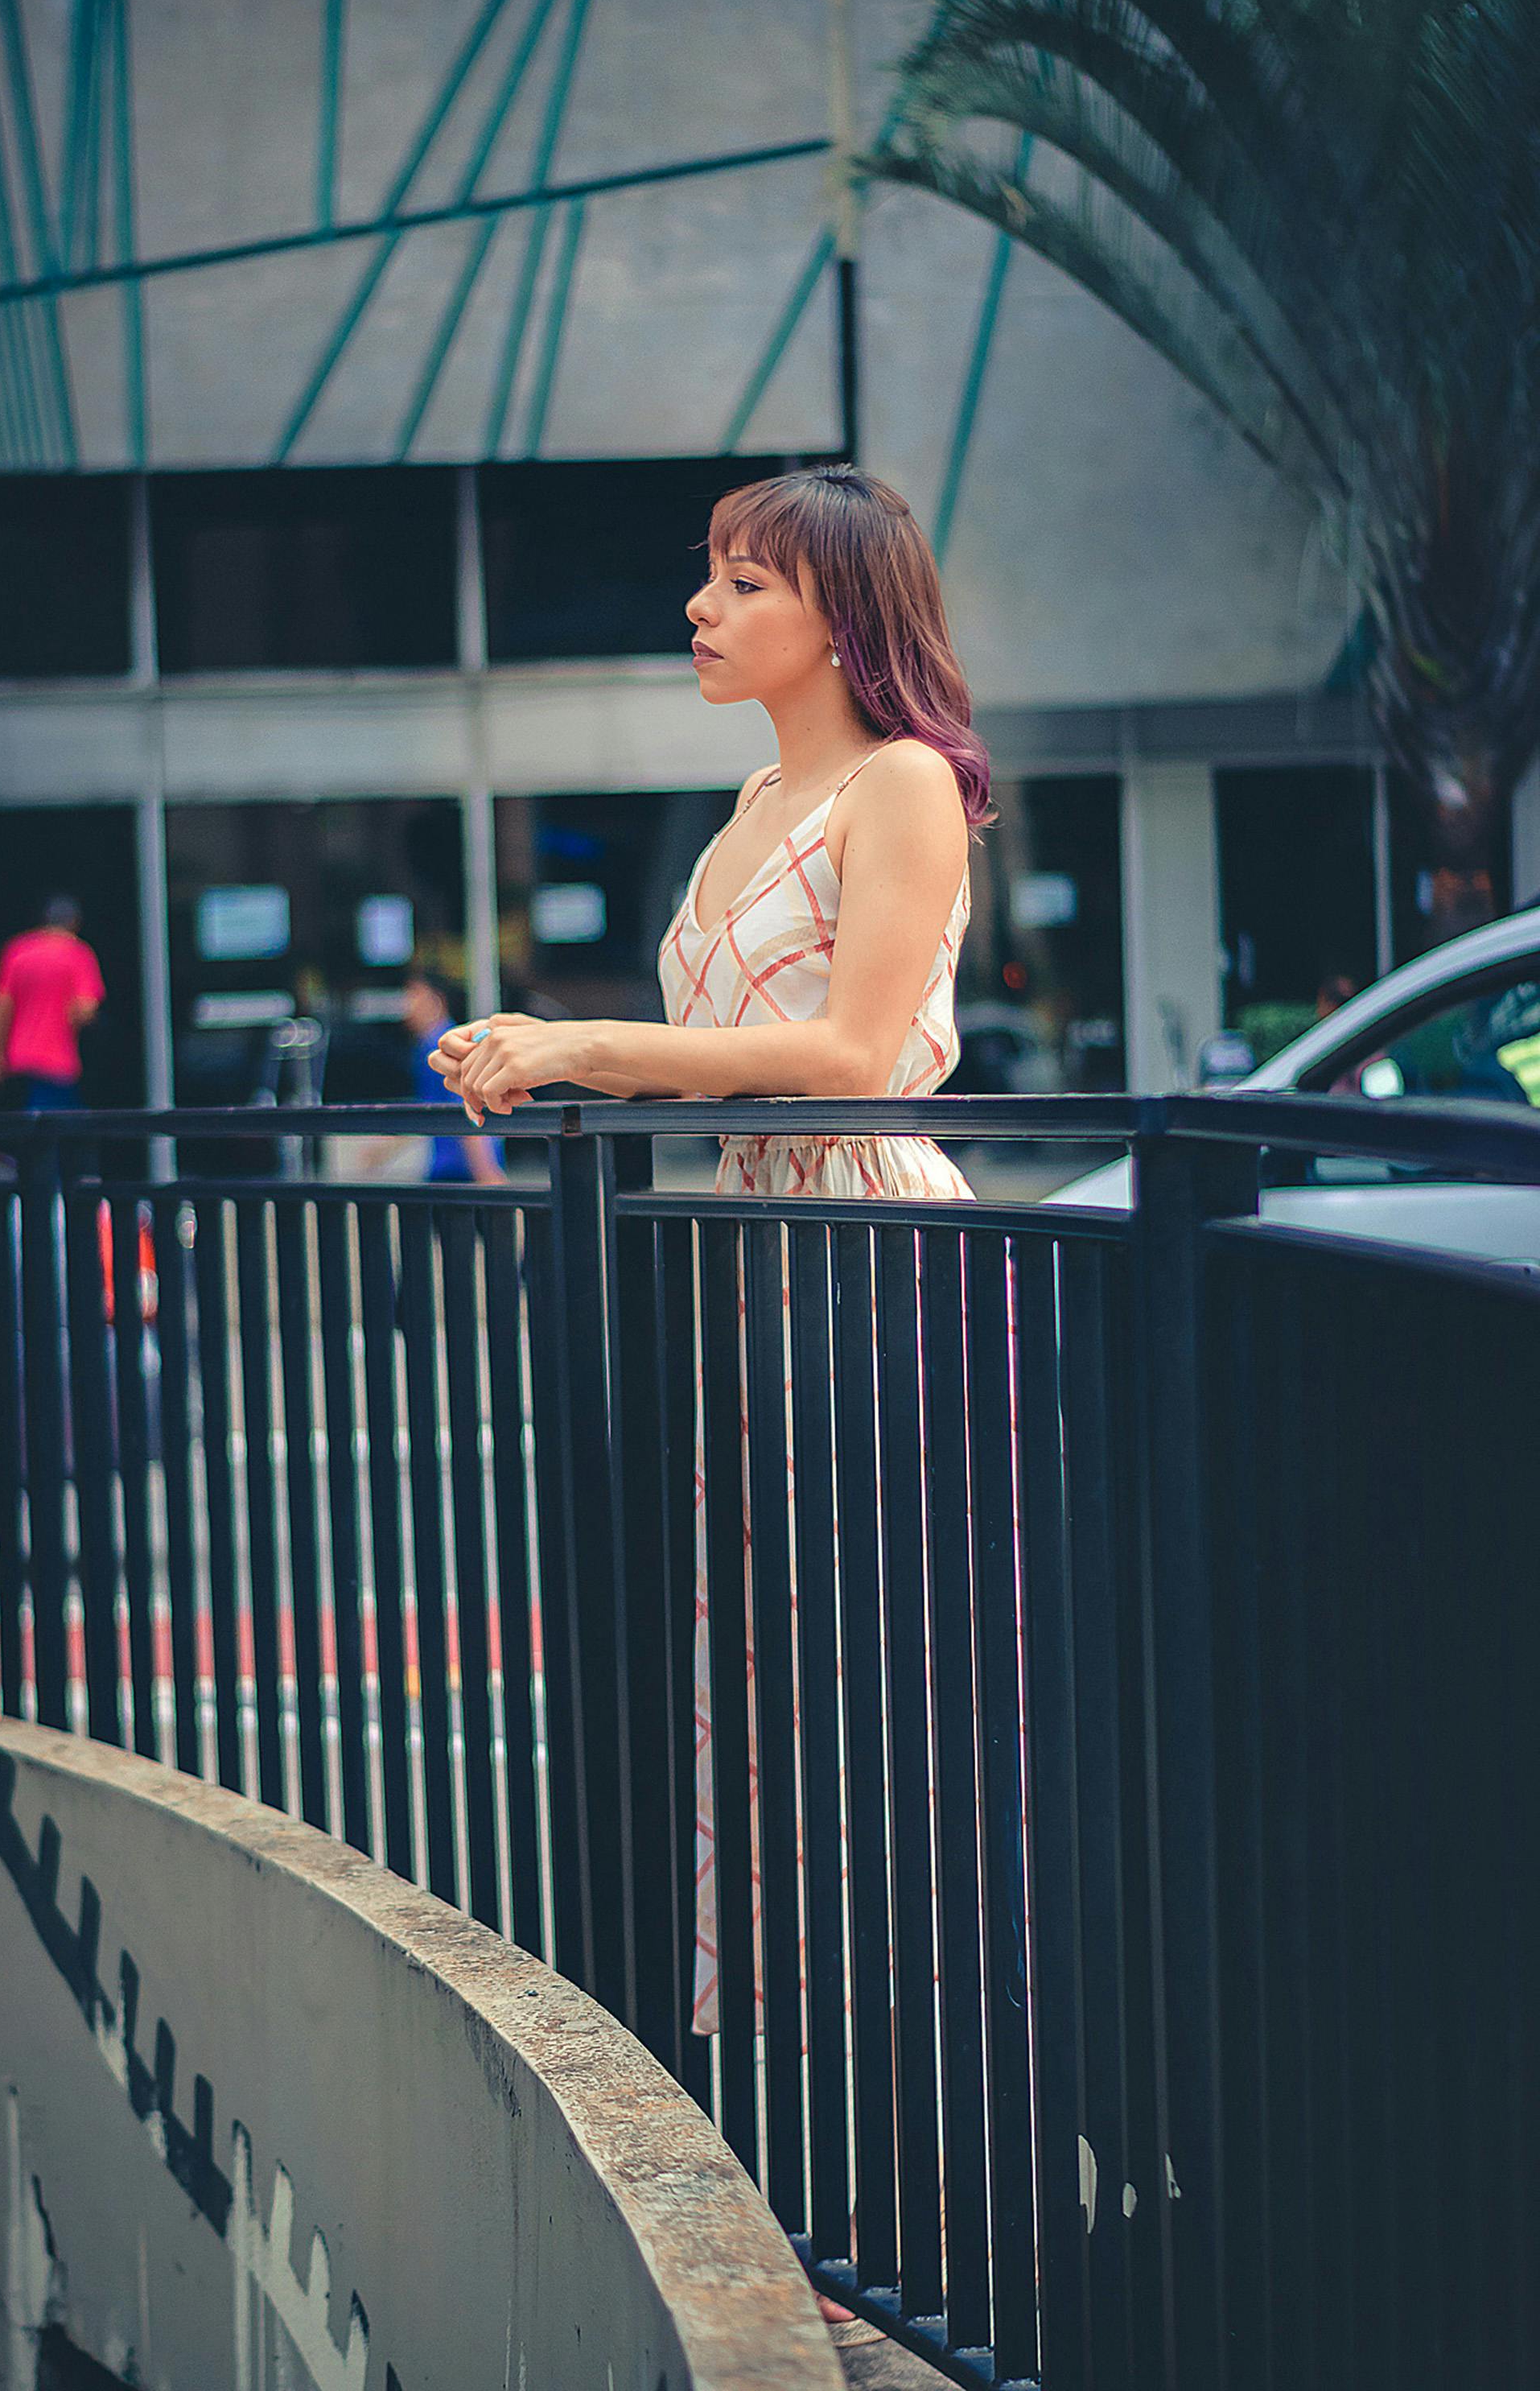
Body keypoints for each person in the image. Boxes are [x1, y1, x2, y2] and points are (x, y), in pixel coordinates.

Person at [430, 463, 991, 2050]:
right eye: (713, 575)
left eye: (748, 583)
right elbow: (726, 1060)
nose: (701, 605)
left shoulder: (901, 782)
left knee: (892, 1662)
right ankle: (789, 2033)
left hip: (869, 1238)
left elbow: (854, 1056)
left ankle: (939, 2047)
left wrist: (582, 1045)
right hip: (756, 1245)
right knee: (761, 1663)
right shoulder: (750, 807)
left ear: (842, 615)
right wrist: (546, 1054)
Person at [0, 894, 105, 1111]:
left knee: (22, 1122)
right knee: (63, 1123)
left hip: (17, 1060)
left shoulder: (17, 951)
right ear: (75, 922)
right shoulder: (78, 954)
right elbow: (86, 1009)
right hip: (57, 1062)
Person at [388, 968, 505, 1186]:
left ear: (437, 1001)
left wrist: (487, 1174)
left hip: (462, 1172)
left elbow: (469, 1107)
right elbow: (425, 1108)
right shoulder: (424, 1048)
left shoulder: (446, 1046)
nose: (407, 1005)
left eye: (415, 996)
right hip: (446, 1169)